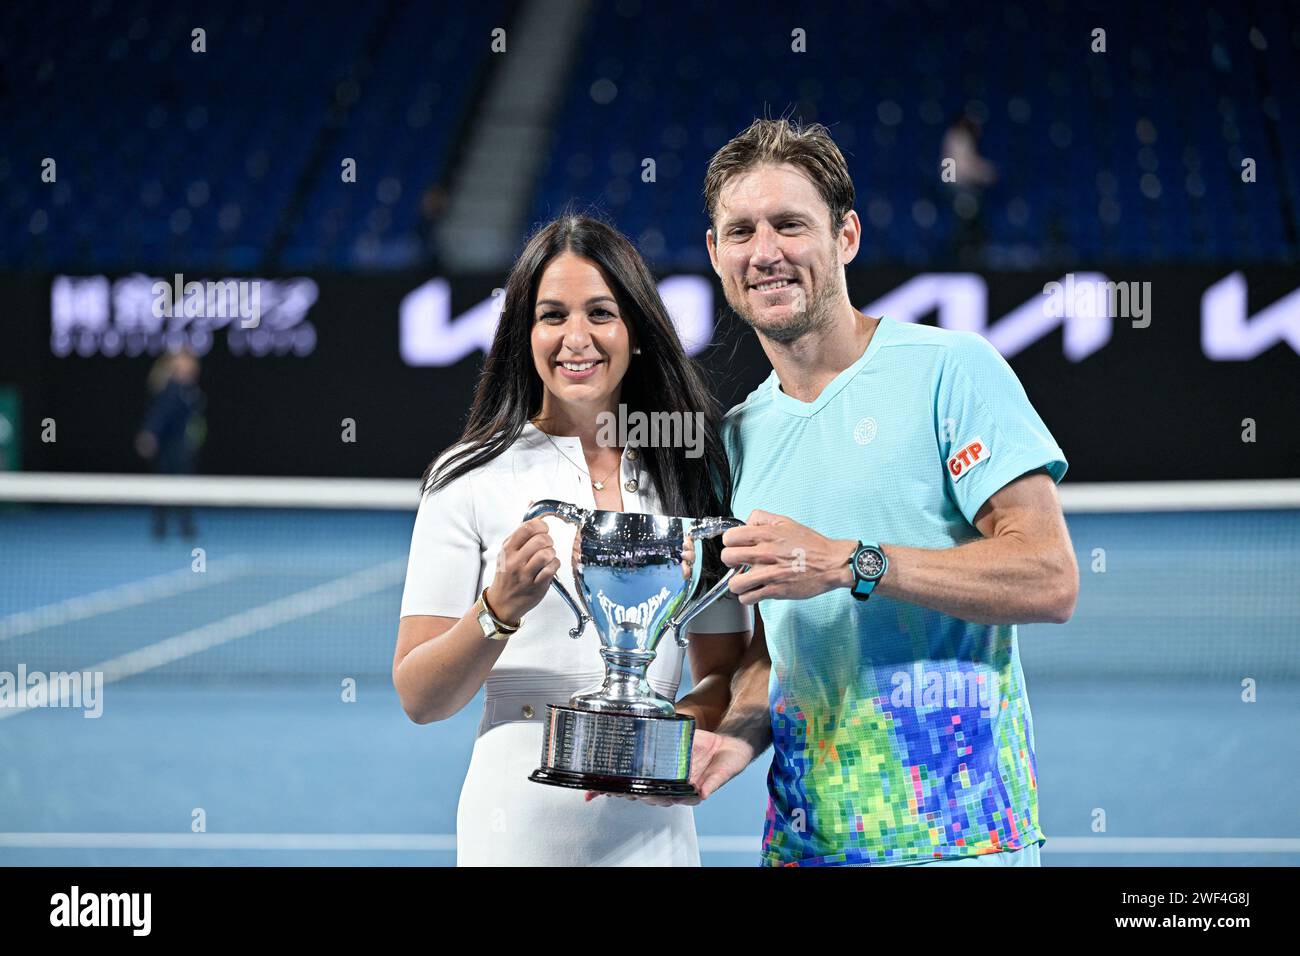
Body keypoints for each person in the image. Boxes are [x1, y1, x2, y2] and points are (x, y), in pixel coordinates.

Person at [677, 118, 1078, 867]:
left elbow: (1050, 578)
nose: (765, 252)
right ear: (716, 255)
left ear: (846, 237)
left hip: (961, 842)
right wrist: (738, 733)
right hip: (804, 846)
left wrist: (853, 561)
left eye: (790, 225)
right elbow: (772, 656)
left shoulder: (952, 370)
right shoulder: (734, 440)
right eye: (741, 232)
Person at [393, 214, 752, 866]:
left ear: (636, 329)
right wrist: (496, 610)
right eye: (552, 315)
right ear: (523, 333)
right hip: (515, 821)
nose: (575, 338)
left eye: (601, 313)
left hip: (653, 818)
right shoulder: (466, 475)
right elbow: (420, 696)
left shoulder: (691, 469)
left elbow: (723, 671)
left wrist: (668, 737)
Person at [134, 348, 205, 539]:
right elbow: (158, 416)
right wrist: (149, 434)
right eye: (183, 365)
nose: (188, 368)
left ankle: (184, 526)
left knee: (184, 489)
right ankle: (161, 526)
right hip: (169, 449)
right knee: (163, 489)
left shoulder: (190, 390)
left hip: (183, 449)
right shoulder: (170, 391)